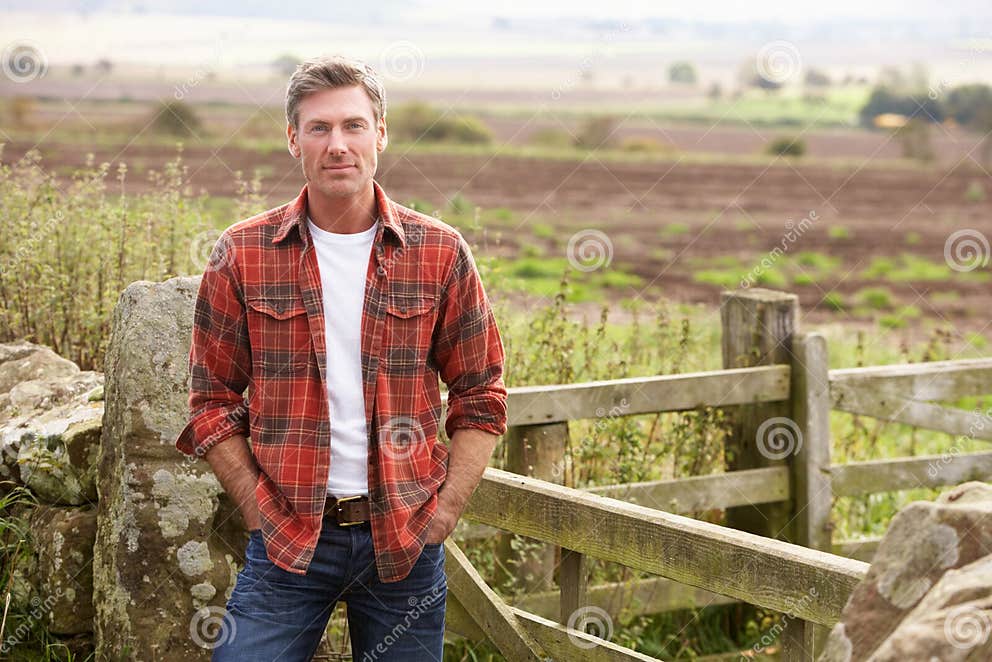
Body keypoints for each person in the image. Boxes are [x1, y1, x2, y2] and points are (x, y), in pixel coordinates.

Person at [174, 54, 508, 661]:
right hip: (288, 542)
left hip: (406, 540)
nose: (338, 145)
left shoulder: (439, 252)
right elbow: (211, 399)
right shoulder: (242, 252)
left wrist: (446, 509)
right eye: (319, 128)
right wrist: (255, 506)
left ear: (380, 134)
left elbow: (481, 393)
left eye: (354, 125)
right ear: (293, 139)